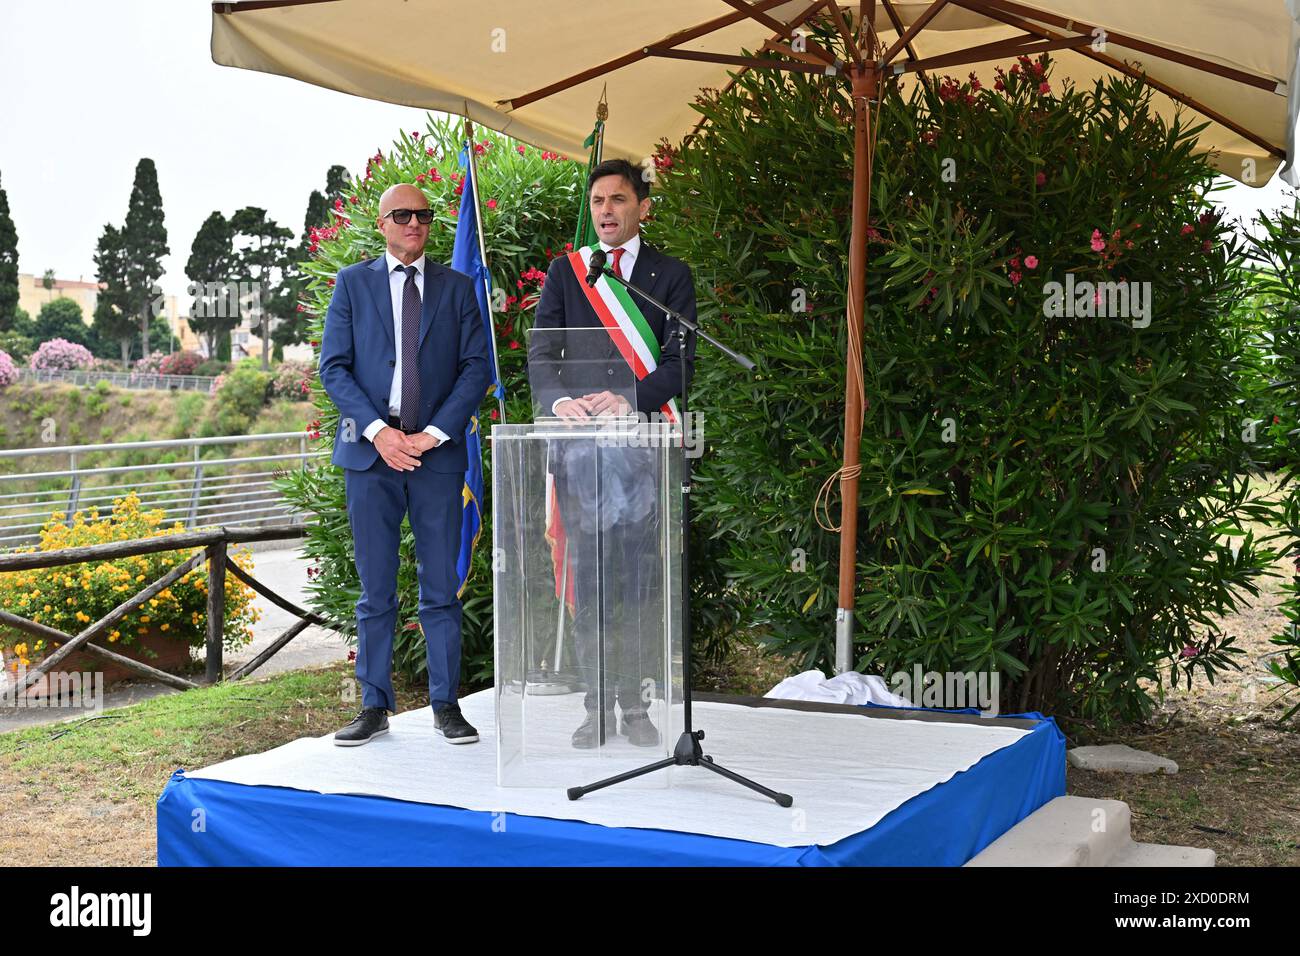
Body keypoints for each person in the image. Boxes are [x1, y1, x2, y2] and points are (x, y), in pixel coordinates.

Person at [529, 158, 696, 749]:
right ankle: (595, 702)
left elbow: (679, 367)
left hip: (643, 458)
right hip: (580, 459)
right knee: (591, 582)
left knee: (637, 585)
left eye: (618, 200)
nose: (605, 211)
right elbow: (542, 356)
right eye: (598, 201)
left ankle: (636, 704)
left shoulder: (670, 276)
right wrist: (557, 403)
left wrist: (627, 397)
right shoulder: (566, 273)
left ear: (641, 206)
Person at [319, 182, 492, 746]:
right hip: (372, 457)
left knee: (440, 587)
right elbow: (335, 369)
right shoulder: (351, 285)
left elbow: (476, 367)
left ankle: (446, 705)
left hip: (438, 458)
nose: (414, 223)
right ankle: (373, 706)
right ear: (382, 223)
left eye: (423, 215)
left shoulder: (459, 288)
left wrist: (435, 433)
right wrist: (380, 433)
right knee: (376, 589)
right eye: (402, 214)